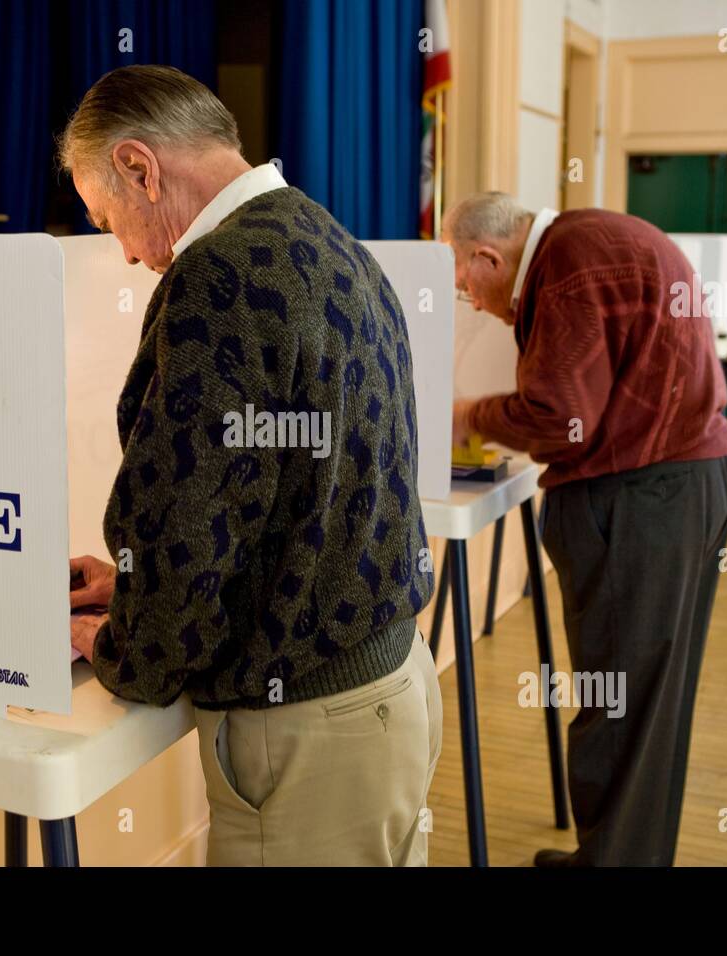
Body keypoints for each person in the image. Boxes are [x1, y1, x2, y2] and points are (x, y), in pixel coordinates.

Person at [59, 65, 441, 866]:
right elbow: (288, 496)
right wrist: (131, 584)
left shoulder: (218, 275)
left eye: (108, 220)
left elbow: (189, 522)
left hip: (310, 727)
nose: (125, 254)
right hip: (389, 684)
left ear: (139, 167)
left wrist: (125, 643)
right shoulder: (324, 234)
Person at [445, 192, 727, 866]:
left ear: (490, 257)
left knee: (620, 708)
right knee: (649, 706)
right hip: (684, 481)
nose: (474, 303)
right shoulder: (592, 238)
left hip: (642, 498)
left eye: (466, 285)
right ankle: (612, 857)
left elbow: (560, 421)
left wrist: (469, 416)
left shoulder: (568, 265)